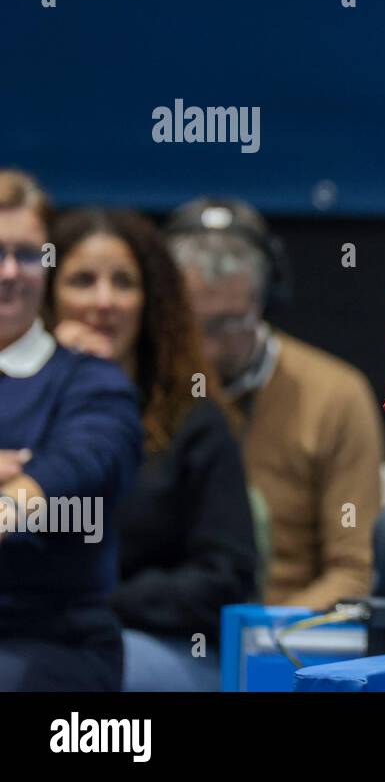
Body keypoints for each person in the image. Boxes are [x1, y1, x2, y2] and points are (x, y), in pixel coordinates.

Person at [47, 207, 257, 690]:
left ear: (149, 301)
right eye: (82, 281)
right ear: (49, 295)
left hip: (163, 643)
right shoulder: (17, 404)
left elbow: (225, 578)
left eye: (123, 282)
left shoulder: (194, 419)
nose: (104, 301)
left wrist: (100, 598)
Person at [166, 198, 383, 610]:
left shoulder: (334, 395)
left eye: (227, 323)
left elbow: (354, 569)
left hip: (282, 633)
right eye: (189, 324)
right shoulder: (141, 392)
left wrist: (261, 638)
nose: (206, 349)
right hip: (167, 623)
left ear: (265, 303)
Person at [0, 171, 142, 690]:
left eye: (27, 254)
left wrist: (16, 497)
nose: (11, 272)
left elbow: (76, 469)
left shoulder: (92, 379)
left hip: (49, 643)